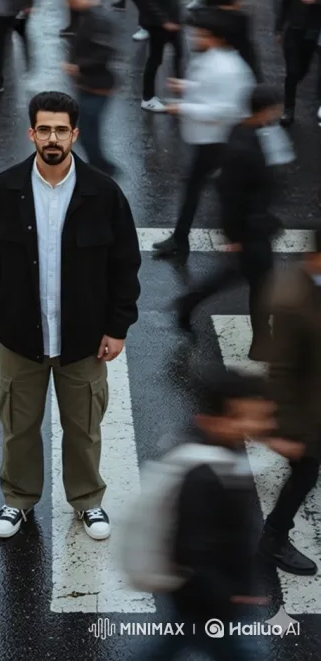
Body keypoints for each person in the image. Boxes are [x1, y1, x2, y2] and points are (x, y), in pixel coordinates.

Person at [0, 90, 140, 540]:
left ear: (75, 134)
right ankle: (18, 501)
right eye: (44, 129)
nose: (53, 138)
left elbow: (126, 263)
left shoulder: (103, 193)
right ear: (31, 133)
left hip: (82, 340)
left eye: (62, 129)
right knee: (18, 427)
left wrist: (117, 327)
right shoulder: (3, 190)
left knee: (83, 428)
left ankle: (87, 502)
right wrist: (8, 302)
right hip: (21, 339)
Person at [132, 368, 273, 661]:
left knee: (171, 643)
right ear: (212, 421)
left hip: (208, 596)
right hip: (211, 599)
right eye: (244, 417)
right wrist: (229, 595)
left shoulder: (223, 453)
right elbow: (192, 547)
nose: (255, 425)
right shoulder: (204, 473)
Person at [175, 84, 282, 357]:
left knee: (239, 277)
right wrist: (234, 236)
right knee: (261, 285)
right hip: (250, 229)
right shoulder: (242, 147)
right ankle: (261, 343)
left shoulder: (250, 132)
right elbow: (228, 194)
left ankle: (188, 304)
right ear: (265, 110)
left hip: (256, 225)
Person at [153, 13, 255, 263]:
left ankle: (240, 239)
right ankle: (181, 238)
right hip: (211, 140)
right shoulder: (215, 59)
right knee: (197, 186)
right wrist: (186, 87)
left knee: (220, 190)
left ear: (216, 38)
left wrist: (183, 107)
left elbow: (226, 110)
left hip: (222, 140)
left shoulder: (229, 69)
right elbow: (210, 88)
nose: (193, 38)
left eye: (200, 34)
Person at [260, 230, 321, 576]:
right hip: (305, 412)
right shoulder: (294, 299)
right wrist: (281, 427)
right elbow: (281, 370)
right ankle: (273, 538)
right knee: (305, 474)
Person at [62, 0, 117, 174]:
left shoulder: (97, 18)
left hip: (97, 85)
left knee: (87, 132)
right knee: (87, 131)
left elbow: (105, 52)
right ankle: (101, 167)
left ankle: (101, 170)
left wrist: (77, 66)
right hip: (88, 84)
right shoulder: (88, 15)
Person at [275, 0, 321, 127]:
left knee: (302, 69)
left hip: (311, 33)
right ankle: (288, 109)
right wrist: (279, 29)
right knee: (292, 72)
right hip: (293, 31)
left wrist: (316, 2)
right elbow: (284, 5)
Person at [141, 0, 183, 113]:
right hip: (159, 24)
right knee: (155, 59)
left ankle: (178, 91)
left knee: (180, 53)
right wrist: (164, 21)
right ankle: (147, 98)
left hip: (172, 20)